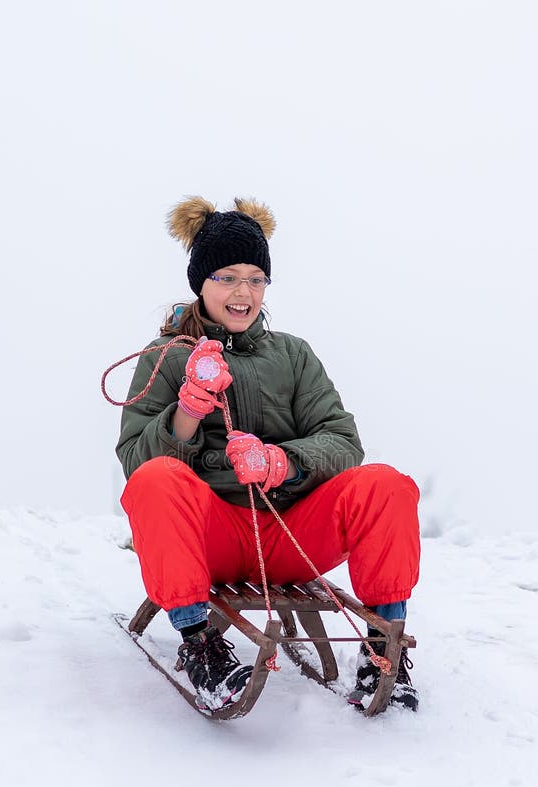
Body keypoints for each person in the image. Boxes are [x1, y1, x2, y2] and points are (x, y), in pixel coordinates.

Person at [116, 196, 421, 712]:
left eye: (256, 279)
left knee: (385, 484)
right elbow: (135, 464)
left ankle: (382, 649)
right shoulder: (165, 357)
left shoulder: (293, 355)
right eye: (228, 277)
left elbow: (342, 441)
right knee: (155, 480)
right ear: (201, 282)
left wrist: (283, 461)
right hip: (212, 537)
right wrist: (186, 412)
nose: (243, 292)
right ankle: (201, 646)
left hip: (292, 535)